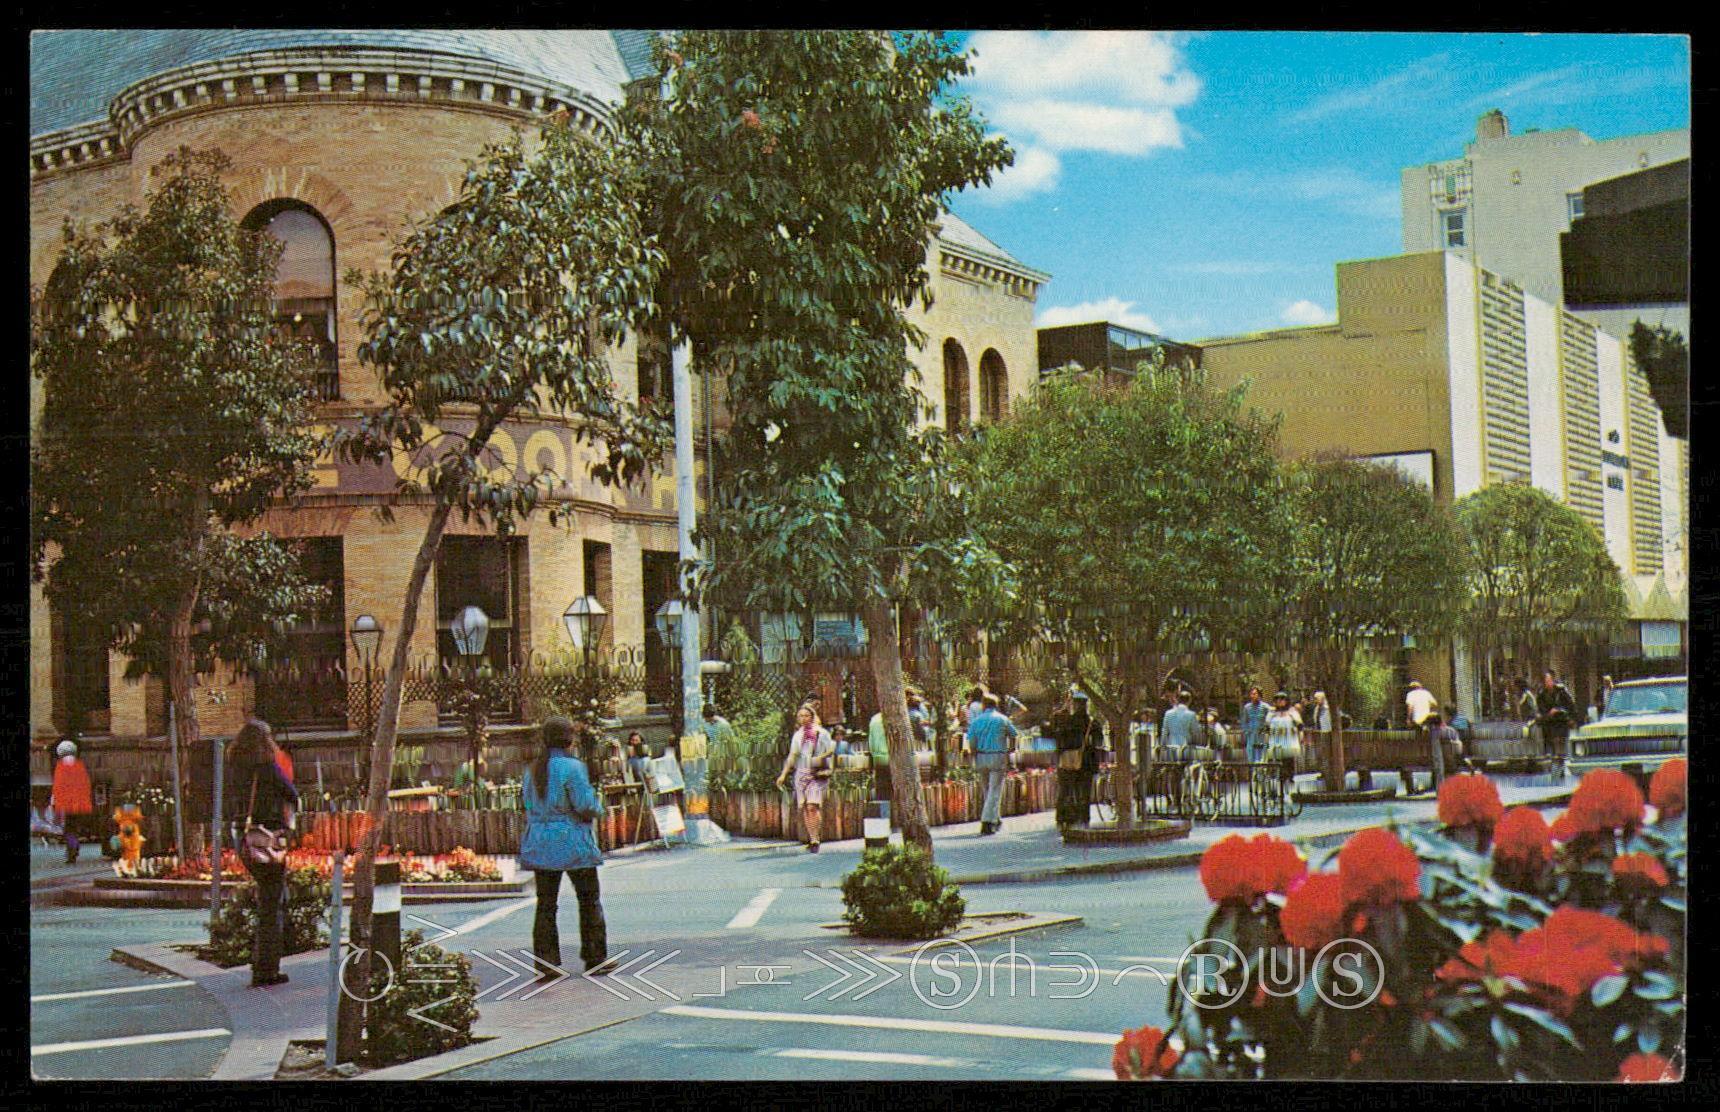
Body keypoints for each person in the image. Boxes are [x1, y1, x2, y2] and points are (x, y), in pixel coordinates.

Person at [520, 716, 610, 975]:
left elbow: (527, 804)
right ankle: (595, 958)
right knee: (589, 900)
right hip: (572, 842)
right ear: (570, 739)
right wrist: (598, 809)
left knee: (546, 904)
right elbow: (585, 805)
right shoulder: (573, 767)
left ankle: (546, 962)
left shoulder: (532, 770)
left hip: (540, 841)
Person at [224, 720, 299, 987]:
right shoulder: (267, 768)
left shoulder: (234, 767)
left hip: (242, 837)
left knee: (266, 900)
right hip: (265, 838)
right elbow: (292, 794)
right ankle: (266, 969)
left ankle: (262, 963)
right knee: (271, 904)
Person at [776, 705, 835, 852]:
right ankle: (812, 837)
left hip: (816, 772)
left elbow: (831, 751)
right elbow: (793, 755)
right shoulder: (798, 735)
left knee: (812, 806)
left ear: (812, 717)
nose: (803, 719)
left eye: (806, 716)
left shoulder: (822, 733)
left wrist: (822, 762)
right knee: (804, 807)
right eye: (800, 716)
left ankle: (816, 840)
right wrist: (783, 774)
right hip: (801, 772)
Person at [970, 694, 1018, 836]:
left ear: (984, 705)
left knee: (987, 790)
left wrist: (974, 756)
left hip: (981, 755)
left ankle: (995, 819)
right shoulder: (1002, 719)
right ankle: (987, 821)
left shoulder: (976, 721)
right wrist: (1010, 749)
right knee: (994, 790)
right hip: (997, 755)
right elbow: (1014, 734)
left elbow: (972, 741)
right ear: (996, 705)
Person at [50, 739, 93, 864]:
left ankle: (72, 851)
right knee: (75, 828)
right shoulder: (80, 765)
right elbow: (86, 784)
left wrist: (55, 802)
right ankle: (74, 847)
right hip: (80, 804)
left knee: (69, 829)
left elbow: (58, 786)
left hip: (67, 805)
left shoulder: (60, 766)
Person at [1535, 669, 1578, 764]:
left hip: (1562, 721)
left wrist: (1560, 711)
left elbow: (1570, 705)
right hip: (1550, 723)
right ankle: (1555, 759)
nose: (1547, 683)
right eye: (1545, 681)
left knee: (1562, 742)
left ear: (1553, 680)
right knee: (1553, 744)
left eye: (1549, 680)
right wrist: (1547, 714)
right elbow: (1541, 709)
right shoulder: (1541, 695)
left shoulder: (1561, 691)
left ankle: (1562, 759)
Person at [1265, 692, 1302, 776]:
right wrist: (1266, 739)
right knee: (1278, 760)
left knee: (1289, 760)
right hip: (1276, 740)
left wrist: (1300, 737)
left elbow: (1299, 725)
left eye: (1282, 699)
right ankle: (1281, 776)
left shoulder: (1292, 712)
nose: (1279, 701)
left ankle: (1290, 775)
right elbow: (1267, 727)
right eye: (1277, 699)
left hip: (1289, 740)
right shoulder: (1271, 713)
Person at [1426, 712, 1463, 784]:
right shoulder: (1451, 730)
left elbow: (1435, 753)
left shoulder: (1433, 734)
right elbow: (1459, 747)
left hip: (1439, 761)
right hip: (1452, 759)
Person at [1159, 692, 1199, 759]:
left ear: (1178, 700)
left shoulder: (1168, 713)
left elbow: (1164, 731)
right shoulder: (1191, 714)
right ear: (1189, 701)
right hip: (1186, 747)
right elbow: (1195, 732)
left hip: (1171, 746)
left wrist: (1163, 746)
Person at [866, 707, 892, 808]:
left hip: (878, 758)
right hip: (891, 758)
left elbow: (871, 742)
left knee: (881, 790)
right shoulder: (894, 718)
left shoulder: (874, 719)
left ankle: (884, 813)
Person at [1239, 687, 1270, 764]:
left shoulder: (1265, 707)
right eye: (1251, 694)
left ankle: (1262, 769)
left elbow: (1271, 718)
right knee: (1251, 755)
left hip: (1262, 735)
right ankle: (1253, 770)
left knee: (1261, 755)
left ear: (1259, 695)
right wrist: (1246, 731)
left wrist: (1267, 730)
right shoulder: (1247, 707)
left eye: (1255, 694)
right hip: (1251, 735)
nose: (1252, 696)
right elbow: (1244, 721)